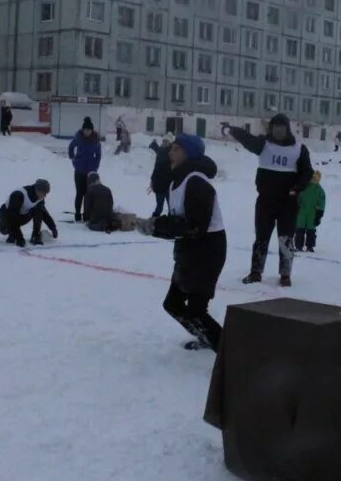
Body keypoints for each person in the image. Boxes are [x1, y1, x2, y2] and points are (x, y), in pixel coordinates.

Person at [136, 134, 225, 350]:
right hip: (189, 250)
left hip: (207, 251)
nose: (170, 153)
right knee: (173, 304)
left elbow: (195, 227)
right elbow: (178, 222)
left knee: (196, 311)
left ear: (189, 153)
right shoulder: (178, 180)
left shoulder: (196, 182)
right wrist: (153, 227)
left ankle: (228, 350)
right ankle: (209, 338)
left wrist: (157, 225)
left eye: (176, 149)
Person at [224, 113, 313, 287]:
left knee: (286, 239)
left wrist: (297, 188)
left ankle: (285, 275)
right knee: (261, 238)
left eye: (282, 128)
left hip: (288, 202)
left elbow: (307, 172)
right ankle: (256, 272)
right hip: (265, 201)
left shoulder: (299, 149)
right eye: (275, 128)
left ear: (287, 129)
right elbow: (248, 139)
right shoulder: (264, 145)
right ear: (271, 129)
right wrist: (233, 130)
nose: (278, 131)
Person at [0, 179, 58, 247]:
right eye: (44, 193)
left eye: (46, 193)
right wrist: (19, 238)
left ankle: (35, 236)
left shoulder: (39, 197)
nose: (45, 196)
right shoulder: (18, 195)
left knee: (39, 209)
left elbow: (44, 213)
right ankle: (11, 233)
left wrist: (53, 228)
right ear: (37, 190)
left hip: (22, 216)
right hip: (7, 217)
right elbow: (12, 217)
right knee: (7, 225)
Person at [68, 117, 101, 222]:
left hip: (90, 172)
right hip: (79, 170)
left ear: (92, 130)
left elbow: (98, 155)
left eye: (88, 130)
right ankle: (77, 214)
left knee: (88, 194)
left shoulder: (95, 140)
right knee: (79, 193)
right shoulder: (78, 137)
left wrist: (95, 167)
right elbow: (71, 147)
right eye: (85, 130)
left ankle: (87, 215)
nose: (86, 132)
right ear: (83, 130)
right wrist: (73, 158)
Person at [294, 170, 325, 252]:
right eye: (313, 178)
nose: (313, 180)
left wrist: (319, 214)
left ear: (318, 180)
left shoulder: (319, 190)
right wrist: (296, 205)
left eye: (316, 179)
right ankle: (298, 246)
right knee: (299, 229)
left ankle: (309, 246)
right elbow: (298, 196)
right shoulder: (304, 186)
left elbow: (322, 202)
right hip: (302, 212)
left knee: (311, 231)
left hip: (312, 213)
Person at [148, 133, 174, 217]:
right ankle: (154, 220)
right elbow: (156, 168)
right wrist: (152, 179)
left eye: (167, 141)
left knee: (171, 206)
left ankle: (171, 221)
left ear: (170, 142)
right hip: (158, 184)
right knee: (159, 206)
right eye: (164, 141)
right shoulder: (161, 151)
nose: (165, 142)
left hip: (169, 185)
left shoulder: (172, 153)